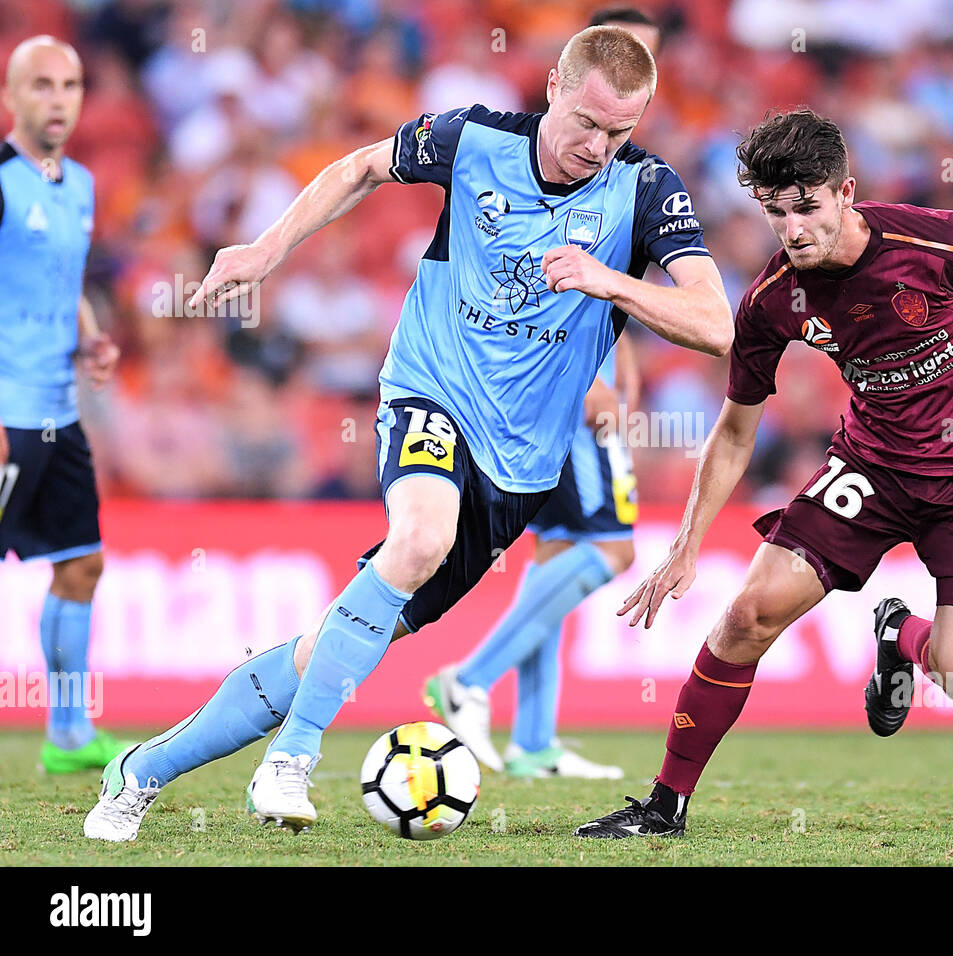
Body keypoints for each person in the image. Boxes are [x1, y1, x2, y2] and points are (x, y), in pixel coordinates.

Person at [83, 25, 732, 842]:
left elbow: (715, 324)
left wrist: (608, 281)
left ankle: (140, 771)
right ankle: (293, 756)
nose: (599, 147)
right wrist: (267, 246)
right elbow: (359, 166)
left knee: (322, 651)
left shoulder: (645, 190)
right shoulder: (474, 139)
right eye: (588, 124)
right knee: (422, 535)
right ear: (557, 87)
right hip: (429, 390)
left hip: (520, 469)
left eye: (620, 132)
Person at [575, 108, 953, 838]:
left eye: (805, 207)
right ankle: (664, 805)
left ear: (845, 191)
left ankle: (901, 636)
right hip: (875, 465)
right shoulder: (771, 300)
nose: (791, 229)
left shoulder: (938, 240)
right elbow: (735, 430)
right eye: (773, 213)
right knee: (746, 615)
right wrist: (686, 545)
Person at [422, 8, 662, 780]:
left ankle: (532, 740)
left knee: (557, 553)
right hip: (554, 395)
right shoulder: (554, 157)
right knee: (610, 549)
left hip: (565, 384)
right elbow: (536, 288)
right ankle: (469, 678)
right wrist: (598, 382)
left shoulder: (626, 166)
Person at [0, 36, 127, 774]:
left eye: (71, 85)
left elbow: (60, 280)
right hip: (8, 414)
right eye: (42, 85)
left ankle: (70, 735)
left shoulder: (76, 184)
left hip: (59, 409)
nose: (58, 99)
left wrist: (90, 339)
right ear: (12, 97)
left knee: (81, 565)